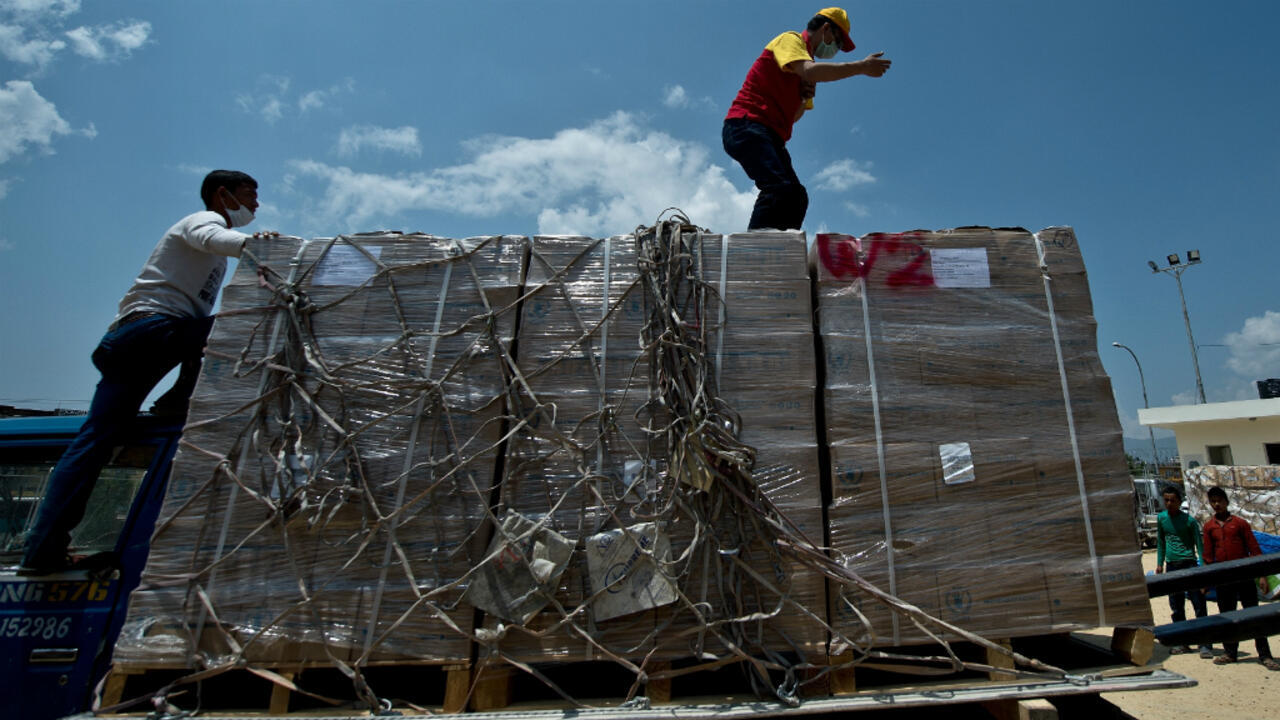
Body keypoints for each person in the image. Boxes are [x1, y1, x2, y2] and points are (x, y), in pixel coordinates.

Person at [18, 170, 275, 576]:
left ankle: (42, 552)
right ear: (223, 195)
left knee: (94, 442)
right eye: (250, 195)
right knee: (248, 322)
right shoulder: (202, 221)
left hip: (135, 339)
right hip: (152, 330)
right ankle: (178, 400)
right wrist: (256, 247)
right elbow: (212, 238)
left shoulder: (210, 255)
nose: (256, 205)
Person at [723, 7, 891, 231]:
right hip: (746, 124)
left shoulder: (808, 68)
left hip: (770, 135)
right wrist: (861, 67)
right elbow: (811, 71)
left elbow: (796, 116)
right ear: (826, 29)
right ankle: (754, 255)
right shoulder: (791, 41)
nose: (837, 49)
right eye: (838, 43)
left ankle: (780, 254)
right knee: (778, 188)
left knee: (797, 196)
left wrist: (803, 98)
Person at [1202, 485, 1279, 670]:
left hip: (1244, 576)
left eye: (1220, 500)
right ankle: (1230, 652)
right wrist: (1205, 581)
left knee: (1253, 616)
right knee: (1228, 617)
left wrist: (1262, 576)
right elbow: (1207, 556)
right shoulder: (1209, 527)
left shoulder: (1240, 523)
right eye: (1213, 501)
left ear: (1227, 502)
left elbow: (1255, 549)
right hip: (1223, 579)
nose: (1217, 504)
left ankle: (1265, 655)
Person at [1154, 484, 1212, 658]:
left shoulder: (1189, 521)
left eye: (1173, 500)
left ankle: (1205, 644)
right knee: (1176, 606)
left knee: (1198, 604)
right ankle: (1182, 641)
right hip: (1172, 566)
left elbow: (1199, 547)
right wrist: (1159, 563)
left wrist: (1202, 569)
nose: (1169, 503)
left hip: (1189, 564)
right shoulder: (1162, 519)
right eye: (1166, 500)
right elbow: (1161, 542)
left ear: (1180, 502)